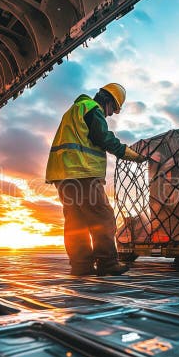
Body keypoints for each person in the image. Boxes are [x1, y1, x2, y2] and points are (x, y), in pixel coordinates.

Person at [46, 83, 146, 276]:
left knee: (76, 221)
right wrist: (131, 154)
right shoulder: (91, 109)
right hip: (83, 172)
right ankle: (107, 263)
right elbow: (103, 138)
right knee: (103, 216)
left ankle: (81, 265)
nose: (110, 115)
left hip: (63, 174)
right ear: (108, 102)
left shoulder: (73, 110)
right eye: (113, 110)